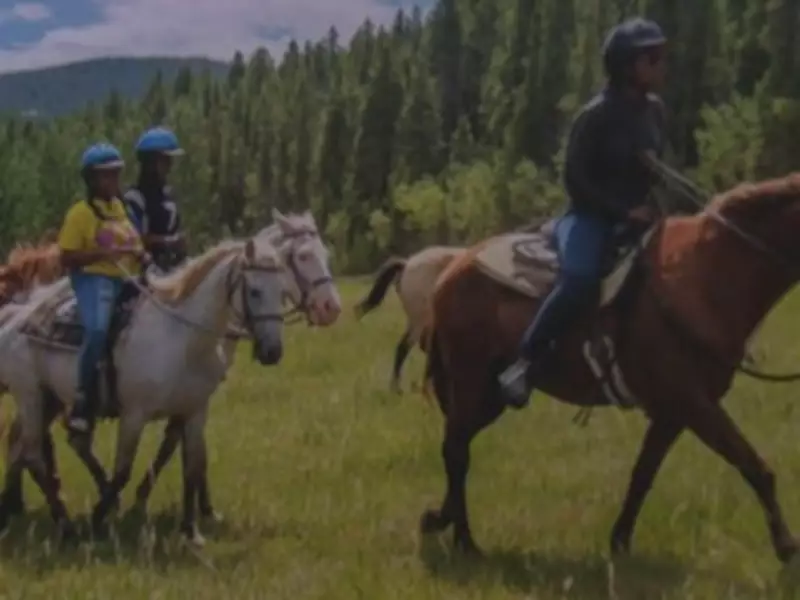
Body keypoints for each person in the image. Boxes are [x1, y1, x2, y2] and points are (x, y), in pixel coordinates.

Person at [498, 17, 668, 408]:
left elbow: (657, 166)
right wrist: (624, 211)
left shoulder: (656, 111)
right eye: (652, 57)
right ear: (627, 66)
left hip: (640, 215)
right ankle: (525, 361)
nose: (662, 65)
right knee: (580, 280)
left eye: (660, 56)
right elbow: (576, 180)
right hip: (588, 217)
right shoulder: (595, 115)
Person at [58, 143, 145, 434]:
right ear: (91, 180)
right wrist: (99, 255)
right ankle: (82, 398)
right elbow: (66, 257)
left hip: (127, 279)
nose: (113, 181)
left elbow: (132, 242)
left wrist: (140, 253)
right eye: (106, 176)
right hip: (94, 279)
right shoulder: (80, 214)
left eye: (115, 175)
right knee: (96, 329)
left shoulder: (119, 209)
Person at [124, 127, 187, 273]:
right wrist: (168, 242)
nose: (169, 166)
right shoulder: (134, 199)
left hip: (173, 264)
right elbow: (134, 239)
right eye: (165, 161)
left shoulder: (168, 196)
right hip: (143, 268)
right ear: (150, 163)